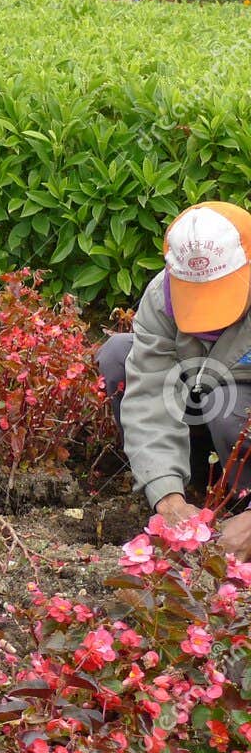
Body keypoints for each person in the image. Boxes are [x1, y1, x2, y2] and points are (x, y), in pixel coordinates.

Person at [96, 202, 251, 557]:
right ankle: (192, 480)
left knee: (227, 410)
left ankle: (243, 501)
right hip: (200, 408)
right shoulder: (160, 296)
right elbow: (150, 395)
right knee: (119, 355)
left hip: (233, 415)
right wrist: (167, 496)